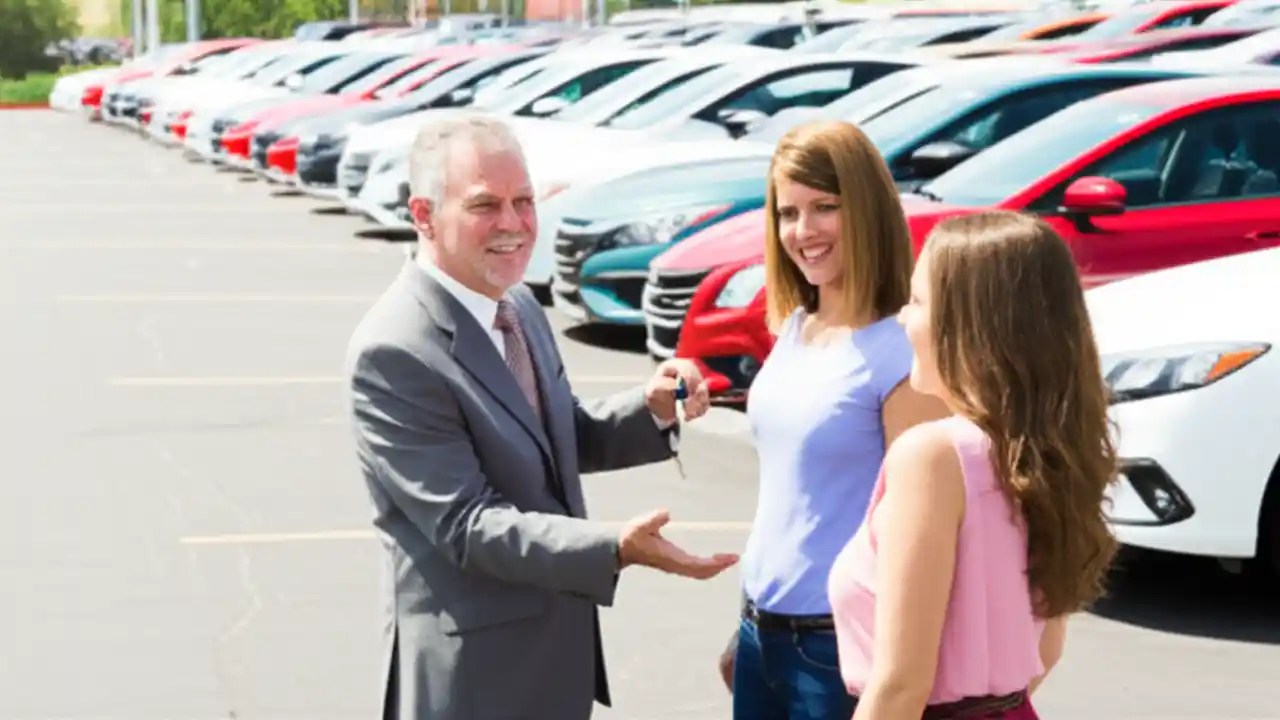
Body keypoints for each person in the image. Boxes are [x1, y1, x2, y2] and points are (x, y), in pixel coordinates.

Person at [344, 112, 739, 720]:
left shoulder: (517, 305)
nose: (513, 224)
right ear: (424, 215)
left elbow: (549, 436)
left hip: (551, 664)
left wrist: (650, 408)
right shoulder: (395, 349)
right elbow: (467, 524)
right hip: (473, 682)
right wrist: (613, 547)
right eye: (485, 206)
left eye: (523, 201)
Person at [827, 211, 1120, 719]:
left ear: (967, 325)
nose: (901, 317)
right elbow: (1045, 650)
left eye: (917, 301)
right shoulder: (1043, 451)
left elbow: (900, 686)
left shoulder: (934, 457)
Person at [721, 120, 949, 719]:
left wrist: (897, 681)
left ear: (868, 210)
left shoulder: (901, 351)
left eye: (825, 207)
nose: (803, 231)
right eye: (787, 212)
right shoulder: (799, 326)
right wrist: (744, 626)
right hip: (759, 632)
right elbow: (795, 501)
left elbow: (920, 540)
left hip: (836, 649)